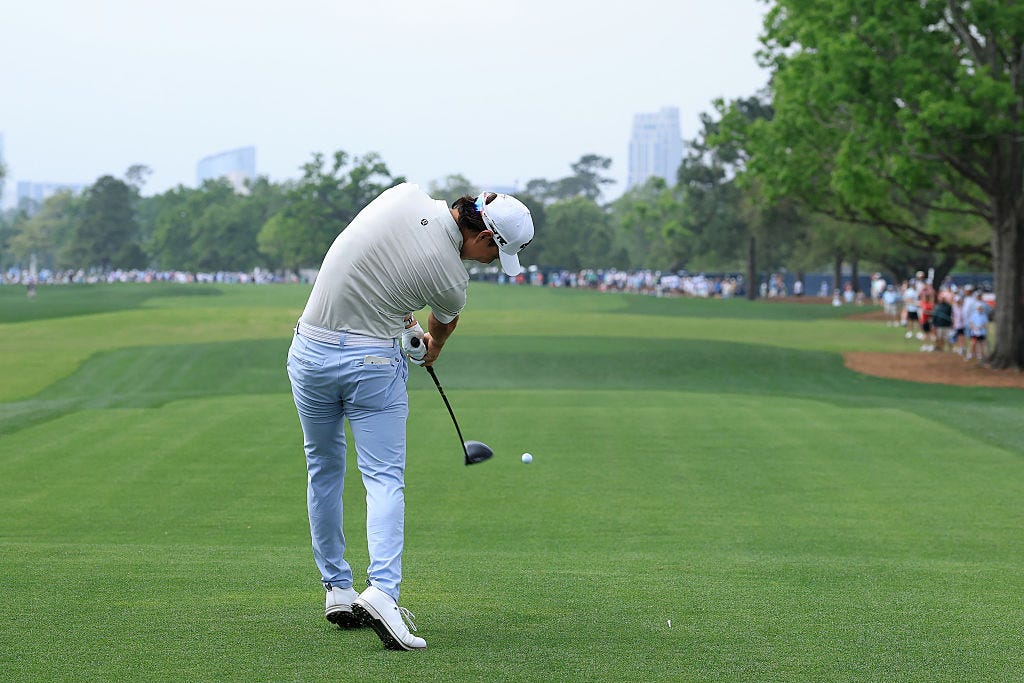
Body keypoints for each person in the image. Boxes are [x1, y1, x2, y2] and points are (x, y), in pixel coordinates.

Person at [286, 183, 535, 651]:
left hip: (310, 351)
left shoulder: (403, 194)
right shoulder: (452, 281)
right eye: (493, 255)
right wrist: (431, 347)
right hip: (370, 365)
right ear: (484, 238)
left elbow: (374, 262)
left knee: (323, 469)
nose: (486, 264)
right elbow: (441, 325)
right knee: (382, 479)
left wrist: (402, 320)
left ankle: (338, 590)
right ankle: (382, 592)